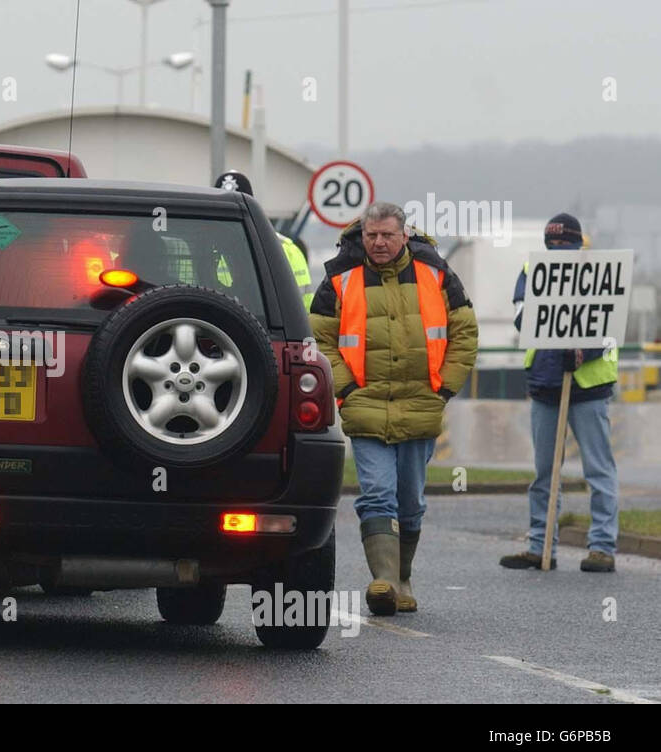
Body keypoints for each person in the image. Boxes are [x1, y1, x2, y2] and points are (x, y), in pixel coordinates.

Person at [309, 201, 477, 615]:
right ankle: (382, 581)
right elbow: (319, 339)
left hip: (421, 405)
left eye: (387, 235)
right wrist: (346, 390)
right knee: (378, 494)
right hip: (365, 407)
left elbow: (464, 332)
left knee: (411, 501)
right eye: (371, 235)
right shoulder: (339, 279)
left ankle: (402, 578)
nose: (379, 243)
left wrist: (444, 390)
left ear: (404, 236)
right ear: (361, 235)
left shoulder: (436, 274)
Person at [500, 213, 619, 573]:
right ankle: (540, 546)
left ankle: (602, 547)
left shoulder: (601, 271)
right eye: (553, 246)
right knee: (544, 472)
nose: (558, 252)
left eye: (565, 246)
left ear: (578, 244)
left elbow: (610, 322)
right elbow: (523, 316)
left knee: (598, 471)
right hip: (546, 382)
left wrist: (586, 350)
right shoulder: (532, 268)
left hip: (590, 385)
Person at [213, 170, 313, 307]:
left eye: (238, 209)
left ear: (252, 208)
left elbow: (302, 306)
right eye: (224, 209)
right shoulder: (201, 247)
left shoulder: (287, 249)